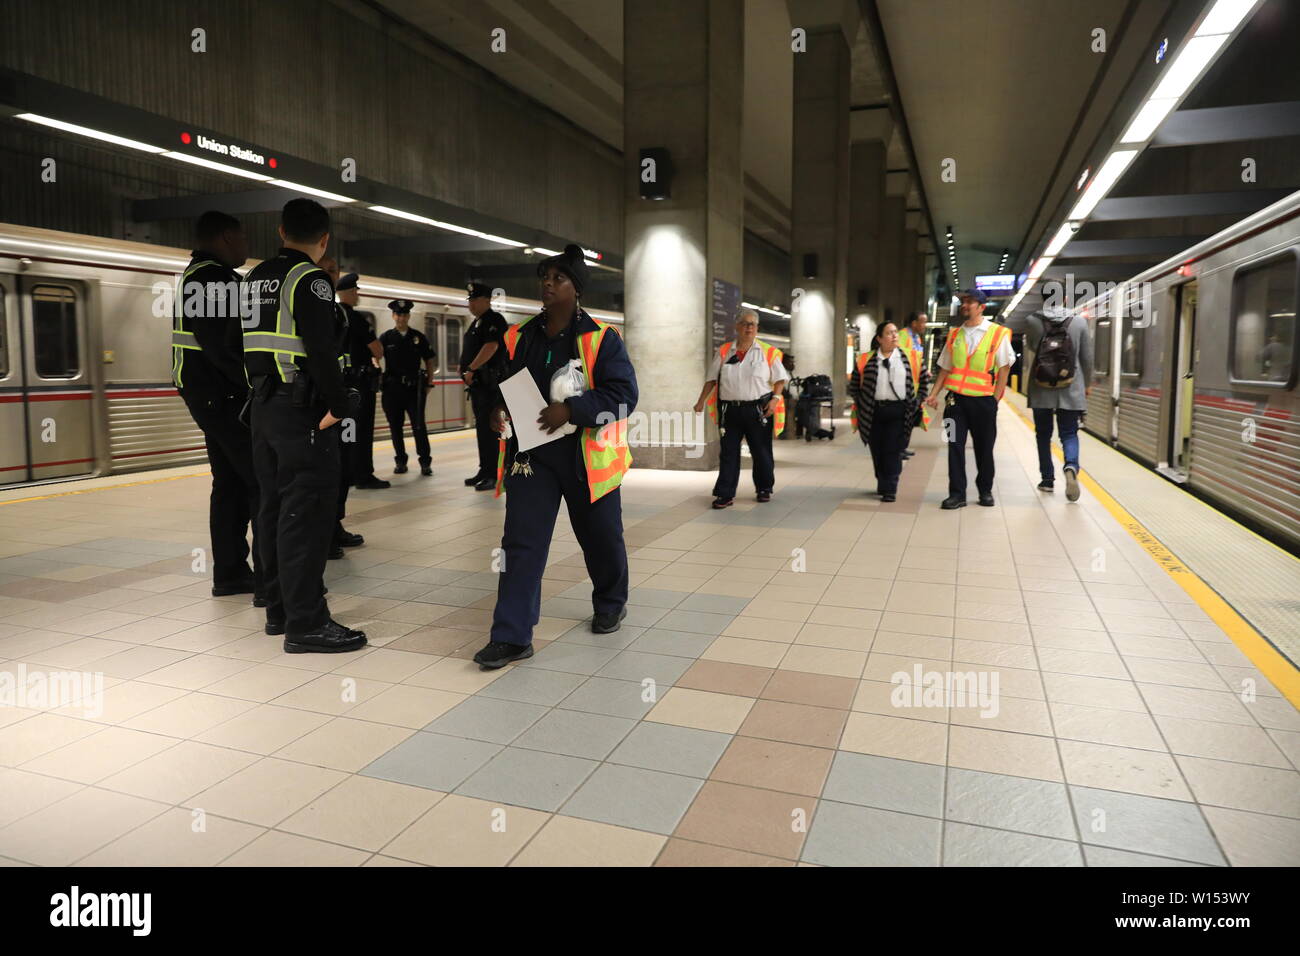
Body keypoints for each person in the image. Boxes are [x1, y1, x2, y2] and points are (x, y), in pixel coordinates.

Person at [475, 245, 637, 670]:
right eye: (544, 277)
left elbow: (623, 398)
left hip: (586, 458)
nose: (548, 284)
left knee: (601, 536)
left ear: (576, 288)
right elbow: (505, 384)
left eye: (558, 278)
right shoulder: (519, 336)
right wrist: (498, 409)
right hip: (532, 457)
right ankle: (511, 636)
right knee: (521, 543)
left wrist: (572, 410)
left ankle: (611, 601)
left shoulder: (601, 340)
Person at [242, 198, 365, 654]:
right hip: (302, 412)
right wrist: (339, 405)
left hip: (263, 408)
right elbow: (320, 351)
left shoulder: (254, 278)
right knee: (307, 514)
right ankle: (307, 623)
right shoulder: (309, 281)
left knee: (273, 511)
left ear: (280, 232)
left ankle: (279, 609)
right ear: (324, 239)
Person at [170, 210, 263, 604]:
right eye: (242, 237)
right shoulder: (212, 279)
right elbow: (223, 349)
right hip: (223, 397)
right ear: (227, 237)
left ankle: (231, 573)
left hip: (210, 396)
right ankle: (271, 576)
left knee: (230, 484)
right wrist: (254, 387)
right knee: (261, 482)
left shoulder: (201, 276)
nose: (245, 246)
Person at [925, 288, 1015, 509]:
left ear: (981, 307)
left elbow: (1004, 369)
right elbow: (945, 368)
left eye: (970, 302)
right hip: (955, 403)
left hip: (983, 402)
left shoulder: (997, 334)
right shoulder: (955, 335)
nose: (965, 305)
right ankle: (957, 494)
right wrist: (934, 394)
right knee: (954, 446)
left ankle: (985, 491)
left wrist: (995, 400)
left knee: (984, 448)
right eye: (963, 301)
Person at [693, 309, 789, 508]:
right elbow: (711, 379)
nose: (749, 327)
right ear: (736, 327)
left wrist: (775, 399)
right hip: (730, 410)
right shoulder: (724, 351)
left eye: (753, 324)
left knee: (761, 451)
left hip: (758, 409)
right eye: (745, 323)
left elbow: (780, 379)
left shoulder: (767, 351)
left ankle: (764, 488)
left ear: (757, 328)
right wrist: (701, 400)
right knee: (728, 452)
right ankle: (725, 494)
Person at [318, 258, 367, 558]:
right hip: (323, 404)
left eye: (334, 271)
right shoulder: (313, 306)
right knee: (326, 470)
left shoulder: (337, 311)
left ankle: (334, 527)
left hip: (343, 403)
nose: (330, 275)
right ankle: (325, 535)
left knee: (342, 467)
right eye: (325, 269)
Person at [850, 320, 929, 502]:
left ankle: (890, 488)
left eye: (895, 332)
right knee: (877, 451)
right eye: (889, 333)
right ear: (879, 338)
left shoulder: (911, 357)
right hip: (873, 412)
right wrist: (862, 403)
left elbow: (924, 382)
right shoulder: (865, 359)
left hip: (900, 412)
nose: (894, 336)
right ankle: (882, 480)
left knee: (892, 451)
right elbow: (854, 386)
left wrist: (917, 402)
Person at [1023, 304, 1093, 501]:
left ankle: (1047, 479)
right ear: (1064, 298)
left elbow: (1031, 347)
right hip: (1071, 386)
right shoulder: (1079, 321)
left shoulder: (1031, 320)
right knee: (1069, 433)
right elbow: (1086, 357)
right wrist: (1087, 384)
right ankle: (1071, 466)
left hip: (1041, 386)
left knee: (1043, 435)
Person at [337, 272, 389, 490]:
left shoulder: (332, 315)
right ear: (349, 292)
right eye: (355, 290)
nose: (357, 294)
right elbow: (377, 350)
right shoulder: (356, 318)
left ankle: (346, 473)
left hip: (341, 382)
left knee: (346, 431)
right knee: (362, 430)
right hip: (360, 383)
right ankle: (363, 474)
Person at [460, 282, 509, 491]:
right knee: (482, 430)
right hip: (480, 386)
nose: (471, 304)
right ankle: (485, 469)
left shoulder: (493, 320)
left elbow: (492, 346)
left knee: (492, 430)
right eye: (469, 300)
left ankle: (496, 473)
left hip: (491, 386)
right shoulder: (477, 323)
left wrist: (470, 368)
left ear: (486, 300)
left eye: (474, 299)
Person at [379, 300, 435, 476]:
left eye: (404, 314)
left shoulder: (418, 337)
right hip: (392, 390)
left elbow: (429, 360)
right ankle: (400, 461)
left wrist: (429, 382)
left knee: (419, 426)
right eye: (398, 314)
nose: (401, 318)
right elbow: (375, 356)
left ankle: (425, 462)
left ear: (408, 316)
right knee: (395, 427)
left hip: (414, 390)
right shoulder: (386, 337)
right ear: (393, 316)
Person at [898, 311, 929, 460]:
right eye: (922, 322)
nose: (925, 325)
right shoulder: (903, 335)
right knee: (903, 418)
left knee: (910, 418)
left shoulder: (917, 338)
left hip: (915, 385)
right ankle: (898, 448)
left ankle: (903, 447)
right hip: (904, 384)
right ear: (914, 323)